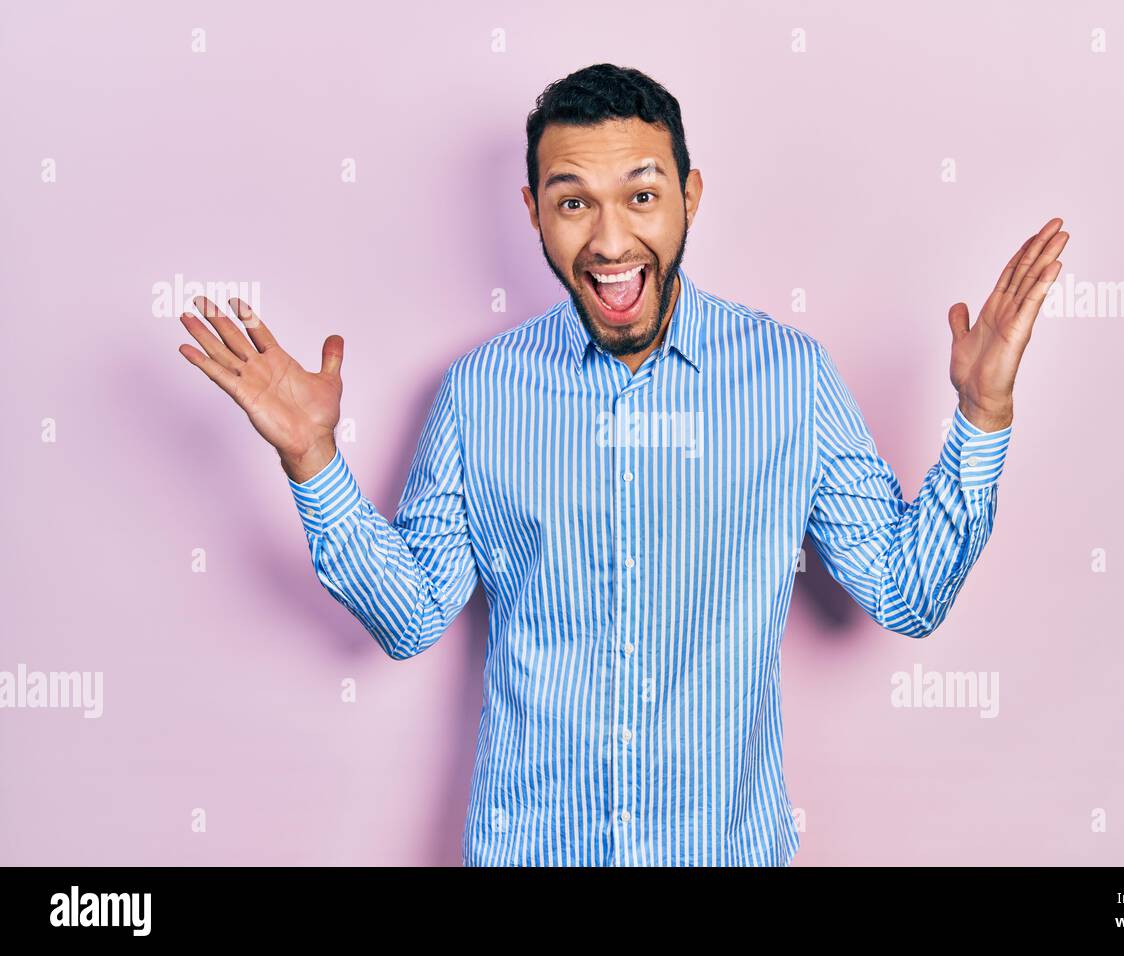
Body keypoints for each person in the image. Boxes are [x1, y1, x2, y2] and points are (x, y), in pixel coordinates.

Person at [176, 63, 1068, 866]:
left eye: (640, 197)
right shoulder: (481, 394)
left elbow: (905, 594)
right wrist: (313, 458)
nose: (608, 241)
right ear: (533, 211)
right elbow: (410, 618)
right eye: (573, 202)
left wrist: (984, 414)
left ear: (689, 195)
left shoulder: (789, 378)